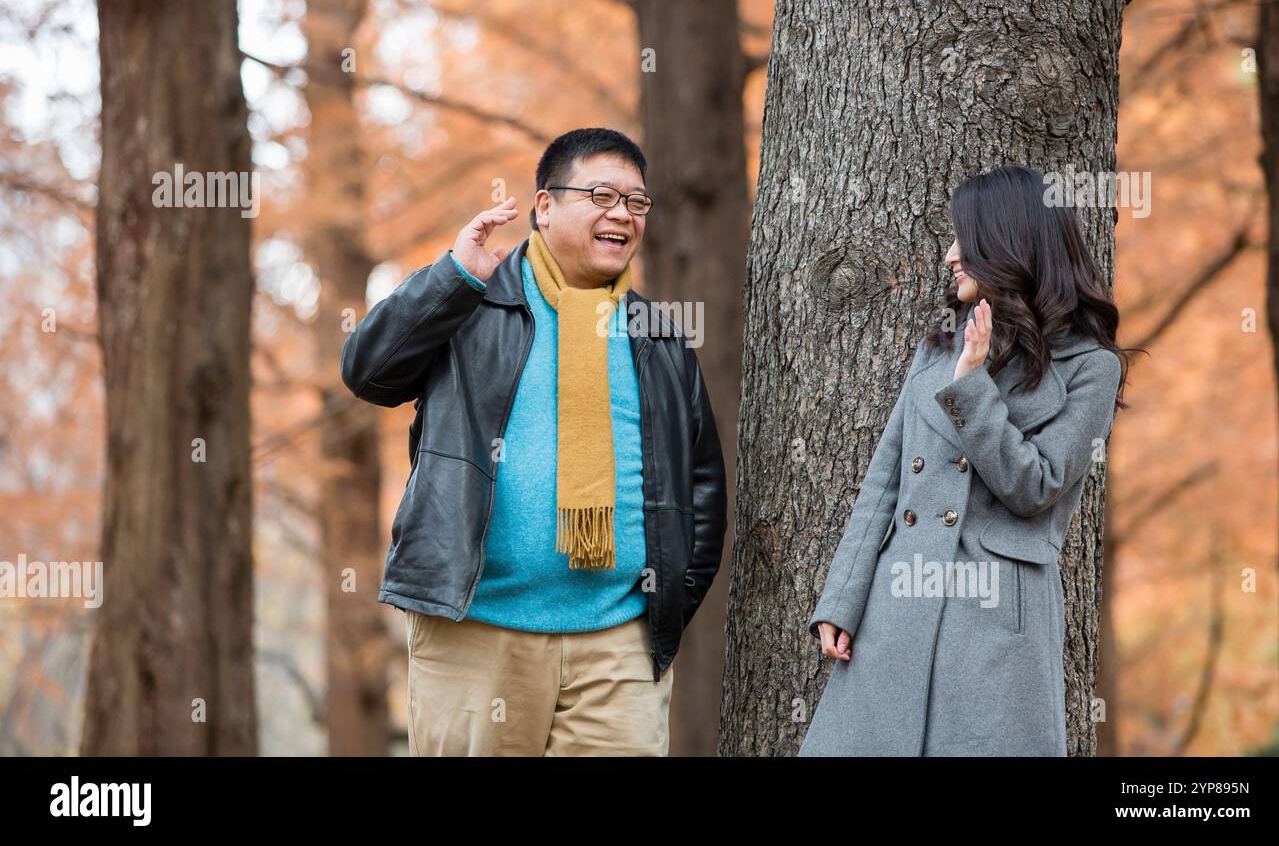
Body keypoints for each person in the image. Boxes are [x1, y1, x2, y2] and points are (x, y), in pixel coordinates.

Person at [340, 127, 726, 756]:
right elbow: (368, 372)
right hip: (477, 633)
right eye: (601, 195)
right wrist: (451, 278)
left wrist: (668, 603)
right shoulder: (470, 302)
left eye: (636, 202)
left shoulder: (657, 335)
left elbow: (701, 483)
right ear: (544, 206)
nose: (622, 214)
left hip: (617, 646)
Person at [799, 164, 1132, 756]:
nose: (951, 255)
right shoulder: (939, 347)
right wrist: (842, 600)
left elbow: (1036, 485)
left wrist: (973, 385)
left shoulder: (1091, 367)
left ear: (1008, 245)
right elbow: (885, 480)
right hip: (895, 609)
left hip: (997, 625)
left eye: (965, 240)